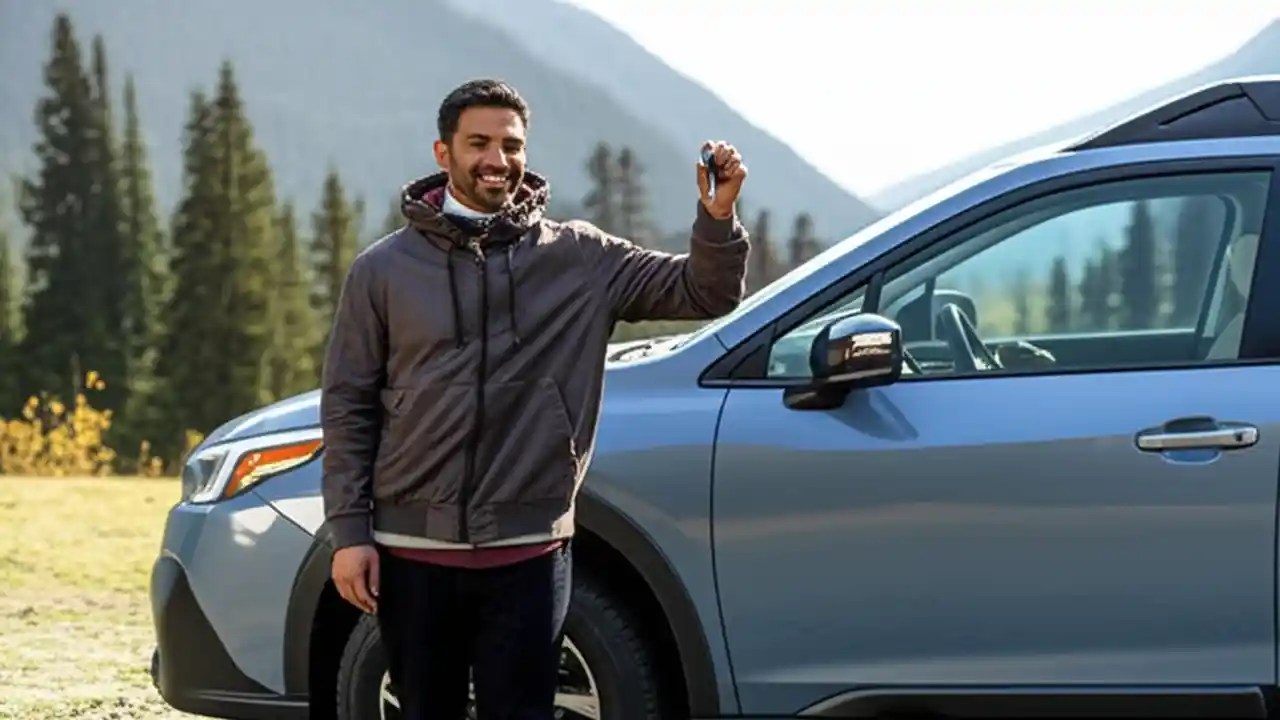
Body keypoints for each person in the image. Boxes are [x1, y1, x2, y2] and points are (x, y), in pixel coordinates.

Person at [319, 77, 750, 719]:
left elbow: (701, 293)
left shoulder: (580, 257)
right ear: (444, 154)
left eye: (511, 145)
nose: (498, 160)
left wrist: (716, 221)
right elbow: (349, 403)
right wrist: (349, 533)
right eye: (480, 143)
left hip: (528, 553)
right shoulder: (383, 271)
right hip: (412, 553)